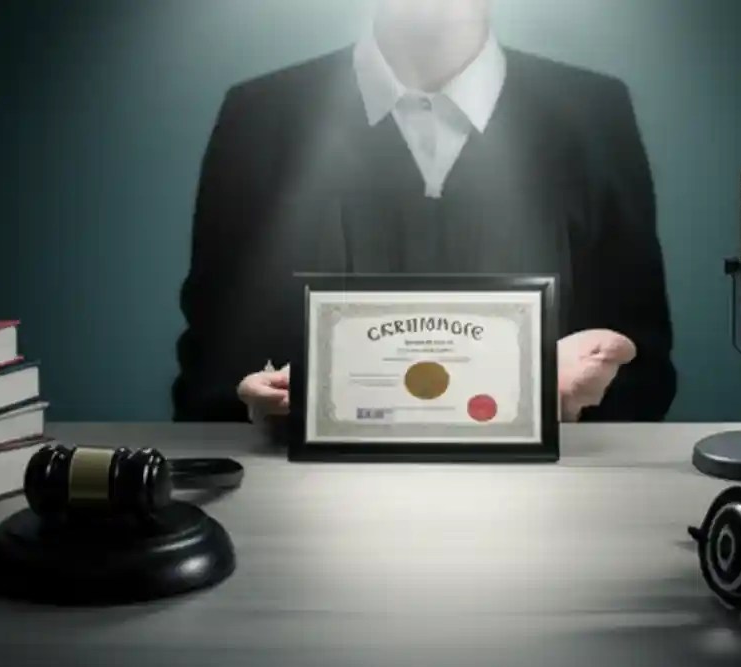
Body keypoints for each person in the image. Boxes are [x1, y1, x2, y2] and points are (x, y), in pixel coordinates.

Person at [173, 0, 677, 425]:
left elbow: (644, 361)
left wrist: (596, 379)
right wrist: (247, 403)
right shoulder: (258, 116)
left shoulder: (596, 114)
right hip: (298, 500)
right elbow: (212, 359)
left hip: (549, 502)